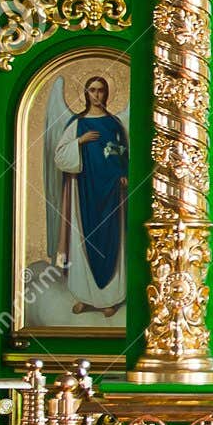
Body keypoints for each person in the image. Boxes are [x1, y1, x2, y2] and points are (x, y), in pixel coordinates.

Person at [51, 76, 128, 317]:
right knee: (82, 239)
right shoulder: (77, 123)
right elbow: (60, 156)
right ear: (86, 94)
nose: (96, 95)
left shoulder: (114, 123)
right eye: (92, 90)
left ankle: (109, 299)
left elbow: (123, 153)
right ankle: (84, 296)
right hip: (83, 190)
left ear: (106, 93)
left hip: (111, 192)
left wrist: (124, 173)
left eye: (101, 90)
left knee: (111, 239)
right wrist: (79, 142)